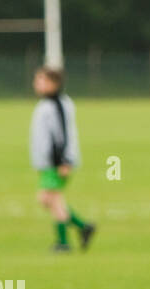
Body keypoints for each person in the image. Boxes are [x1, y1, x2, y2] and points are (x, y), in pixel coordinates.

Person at [29, 65, 96, 252]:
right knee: (50, 199)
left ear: (53, 83)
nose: (36, 84)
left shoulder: (57, 105)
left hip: (56, 162)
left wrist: (65, 161)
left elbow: (62, 135)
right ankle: (83, 228)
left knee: (50, 198)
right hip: (48, 162)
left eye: (40, 80)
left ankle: (65, 242)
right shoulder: (46, 105)